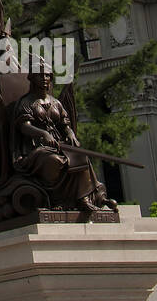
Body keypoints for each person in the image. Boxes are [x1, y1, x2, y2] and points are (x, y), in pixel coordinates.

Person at [11, 68, 116, 214]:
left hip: (60, 144)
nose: (44, 78)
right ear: (32, 78)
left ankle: (83, 198)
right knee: (53, 161)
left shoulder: (56, 103)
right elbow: (24, 126)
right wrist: (43, 134)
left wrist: (70, 133)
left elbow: (64, 124)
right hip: (36, 148)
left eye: (47, 75)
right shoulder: (26, 102)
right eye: (40, 75)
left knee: (80, 156)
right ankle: (55, 200)